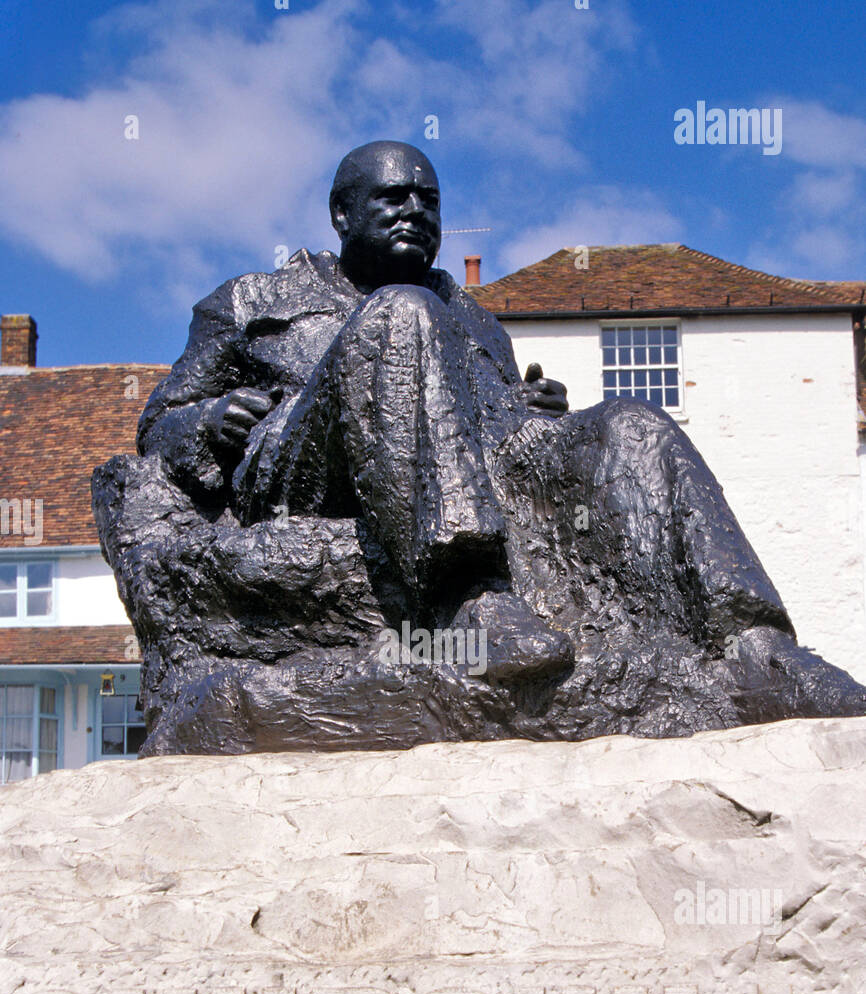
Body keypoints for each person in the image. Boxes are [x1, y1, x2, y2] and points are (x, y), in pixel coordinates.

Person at [130, 138, 866, 737]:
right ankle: (472, 600)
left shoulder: (477, 319)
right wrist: (205, 421)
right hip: (307, 470)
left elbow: (472, 429)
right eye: (393, 198)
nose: (415, 212)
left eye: (430, 202)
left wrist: (537, 418)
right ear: (339, 212)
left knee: (631, 424)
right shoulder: (252, 300)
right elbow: (157, 425)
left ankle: (755, 648)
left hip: (465, 457)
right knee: (400, 314)